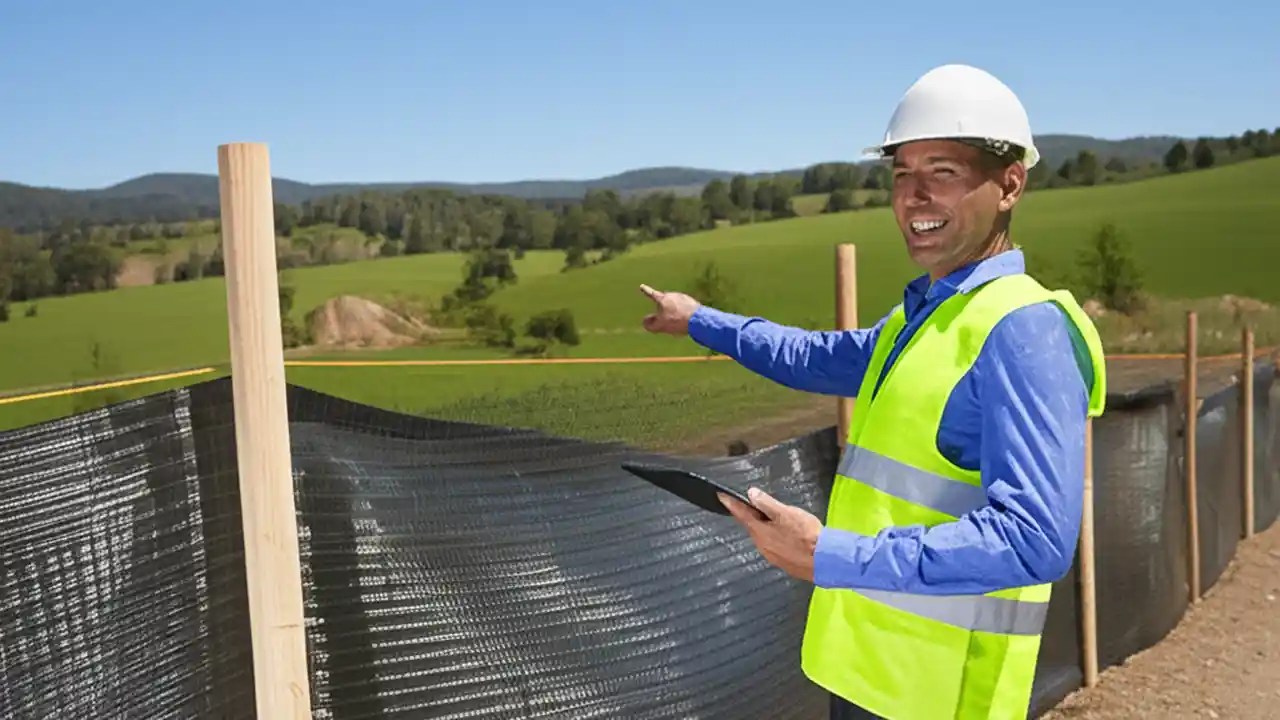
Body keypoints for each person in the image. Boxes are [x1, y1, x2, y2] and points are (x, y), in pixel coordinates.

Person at [638, 63, 1106, 719]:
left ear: (1009, 185)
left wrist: (828, 553)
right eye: (901, 174)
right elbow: (813, 355)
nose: (912, 197)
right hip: (866, 676)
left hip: (941, 699)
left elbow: (1035, 539)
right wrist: (699, 321)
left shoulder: (1024, 333)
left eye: (941, 171)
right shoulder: (924, 320)